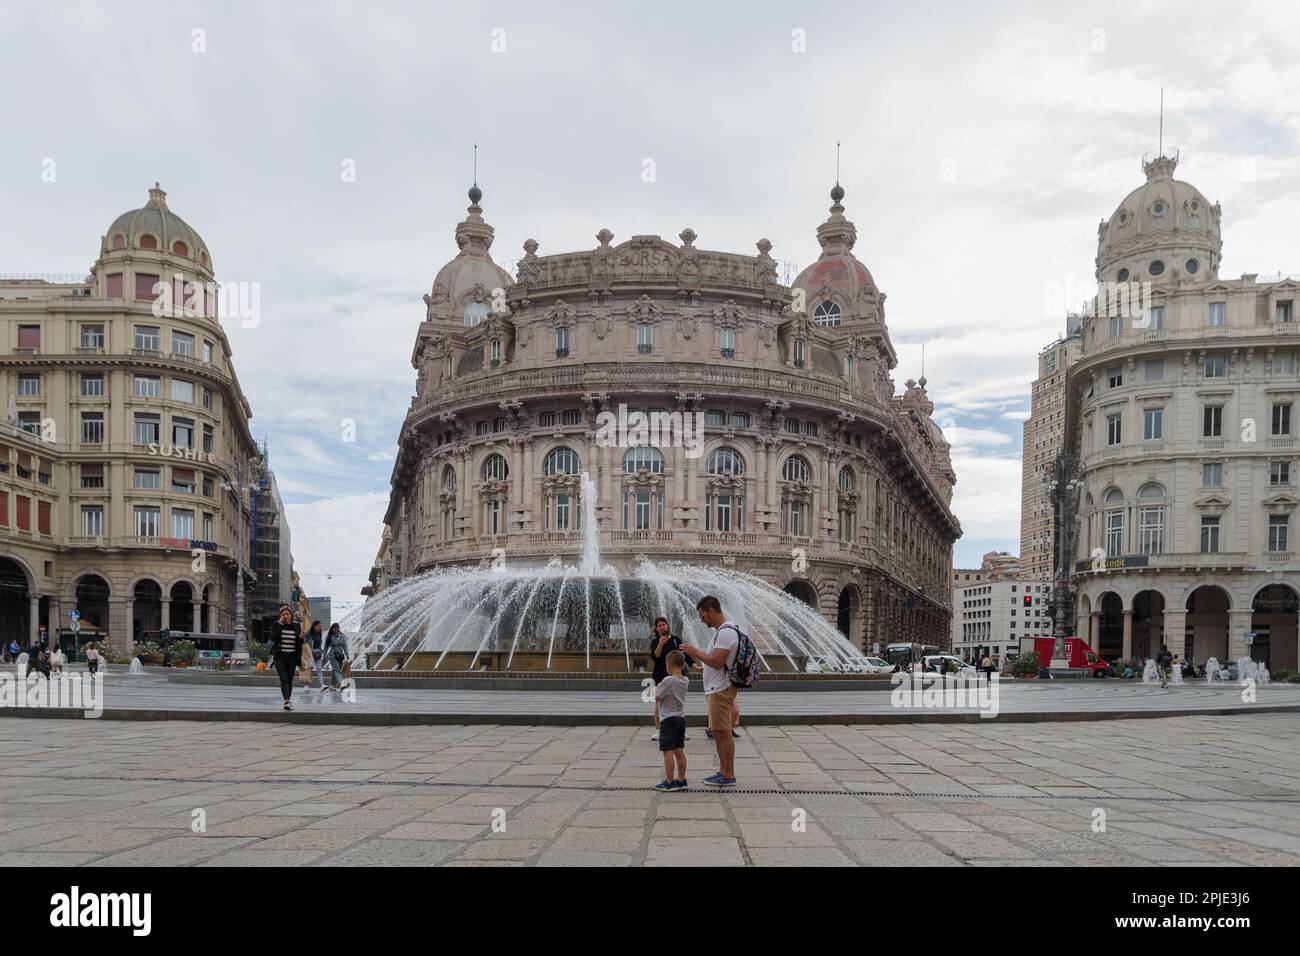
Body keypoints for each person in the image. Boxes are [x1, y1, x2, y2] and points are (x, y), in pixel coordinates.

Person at [680, 594, 740, 788]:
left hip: (721, 690)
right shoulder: (722, 631)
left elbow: (716, 661)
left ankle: (728, 774)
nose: (701, 619)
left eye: (702, 615)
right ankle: (723, 770)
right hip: (717, 688)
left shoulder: (726, 632)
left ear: (711, 611)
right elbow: (715, 663)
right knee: (719, 731)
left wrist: (694, 651)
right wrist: (702, 667)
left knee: (722, 732)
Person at [648, 616, 692, 741]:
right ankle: (659, 730)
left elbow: (685, 655)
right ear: (656, 629)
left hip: (677, 676)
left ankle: (680, 730)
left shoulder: (676, 640)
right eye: (660, 625)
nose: (663, 627)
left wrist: (695, 666)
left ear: (668, 626)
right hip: (660, 676)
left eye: (664, 624)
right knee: (658, 703)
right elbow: (655, 657)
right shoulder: (655, 642)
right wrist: (660, 644)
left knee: (678, 702)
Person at [653, 650, 689, 791]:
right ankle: (681, 779)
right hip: (680, 719)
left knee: (667, 752)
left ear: (668, 665)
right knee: (679, 750)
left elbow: (658, 697)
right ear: (682, 665)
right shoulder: (685, 680)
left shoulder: (668, 681)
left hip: (668, 720)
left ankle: (669, 782)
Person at [269, 605, 304, 710]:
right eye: (283, 614)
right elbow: (273, 638)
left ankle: (288, 700)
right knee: (284, 679)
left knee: (289, 680)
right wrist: (280, 625)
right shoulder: (277, 624)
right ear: (280, 616)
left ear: (291, 615)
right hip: (280, 657)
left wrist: (301, 638)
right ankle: (286, 701)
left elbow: (299, 642)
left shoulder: (296, 626)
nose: (285, 616)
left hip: (292, 657)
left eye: (287, 614)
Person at [323, 623, 348, 691]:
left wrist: (347, 655)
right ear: (332, 629)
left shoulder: (342, 636)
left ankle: (331, 685)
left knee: (335, 670)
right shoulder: (329, 637)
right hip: (332, 655)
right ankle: (342, 684)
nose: (336, 629)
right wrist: (324, 656)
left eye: (337, 628)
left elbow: (345, 646)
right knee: (337, 669)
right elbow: (326, 647)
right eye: (335, 628)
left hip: (340, 655)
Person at [306, 620, 325, 690]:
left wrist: (321, 650)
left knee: (319, 669)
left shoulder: (319, 634)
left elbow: (320, 644)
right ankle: (306, 685)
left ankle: (322, 685)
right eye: (319, 626)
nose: (320, 627)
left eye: (321, 626)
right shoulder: (309, 634)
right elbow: (305, 643)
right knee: (309, 669)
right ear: (314, 626)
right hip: (310, 653)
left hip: (318, 654)